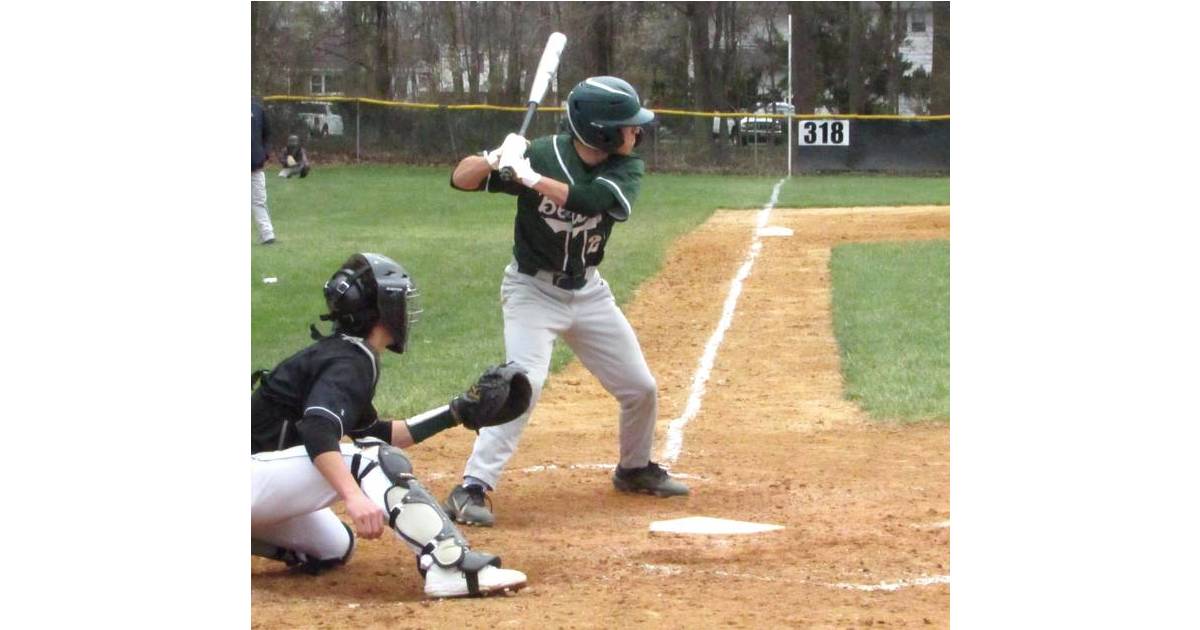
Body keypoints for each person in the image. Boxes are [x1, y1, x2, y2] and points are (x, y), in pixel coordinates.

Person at [442, 76, 689, 528]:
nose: (636, 133)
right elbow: (460, 180)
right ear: (600, 131)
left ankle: (634, 469)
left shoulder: (625, 168)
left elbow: (595, 200)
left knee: (640, 388)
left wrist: (532, 179)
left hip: (589, 292)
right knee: (523, 385)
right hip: (531, 292)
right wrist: (493, 159)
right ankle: (471, 487)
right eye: (628, 126)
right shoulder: (538, 153)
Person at [251, 252, 528, 598]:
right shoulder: (348, 362)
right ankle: (449, 566)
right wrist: (353, 495)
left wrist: (454, 413)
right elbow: (318, 429)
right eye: (399, 299)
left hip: (255, 486)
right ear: (381, 308)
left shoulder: (345, 355)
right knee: (369, 460)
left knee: (335, 546)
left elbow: (375, 432)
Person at [251, 98, 276, 244]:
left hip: (255, 166)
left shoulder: (257, 109)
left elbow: (266, 134)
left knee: (259, 201)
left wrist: (264, 154)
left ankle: (268, 235)